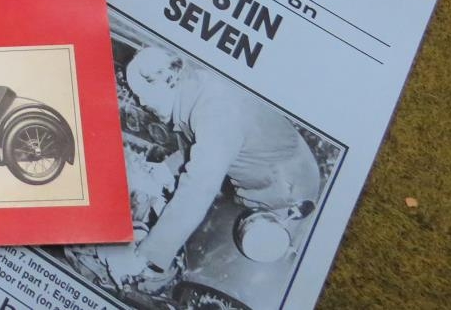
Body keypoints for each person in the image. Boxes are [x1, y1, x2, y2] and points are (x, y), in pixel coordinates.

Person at [89, 47, 321, 291]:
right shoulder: (193, 87)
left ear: (166, 81)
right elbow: (203, 143)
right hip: (260, 175)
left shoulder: (215, 109)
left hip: (286, 194)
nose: (142, 103)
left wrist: (144, 257)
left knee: (239, 265)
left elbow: (200, 185)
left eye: (142, 94)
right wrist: (165, 170)